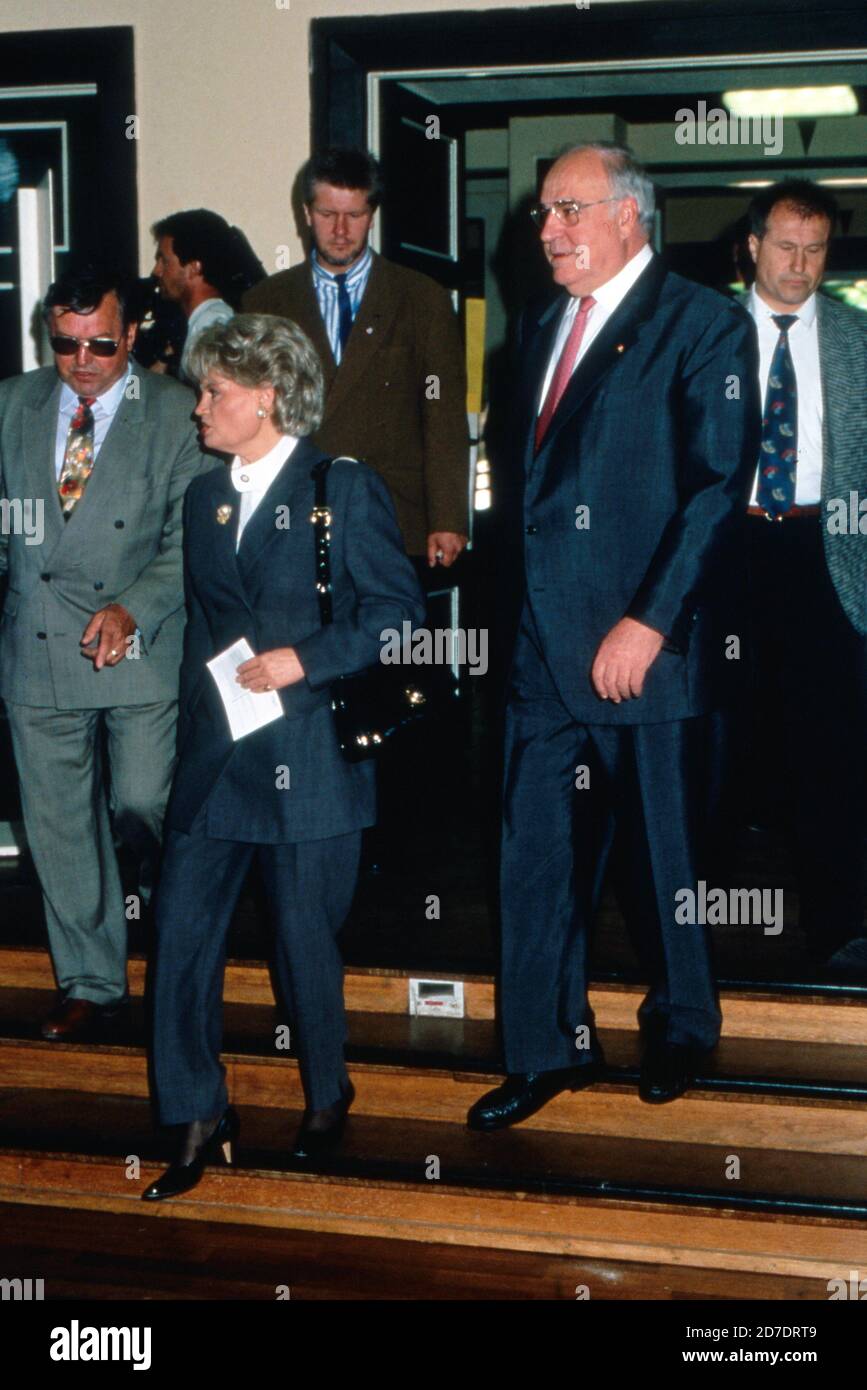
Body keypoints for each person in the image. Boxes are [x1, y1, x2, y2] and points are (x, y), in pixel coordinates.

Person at [467, 142, 761, 1132]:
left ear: (630, 216)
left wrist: (650, 616)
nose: (545, 230)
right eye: (543, 214)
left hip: (646, 641)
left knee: (662, 850)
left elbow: (718, 486)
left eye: (566, 210)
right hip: (543, 645)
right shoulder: (540, 326)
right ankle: (544, 1047)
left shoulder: (702, 325)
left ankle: (683, 1021)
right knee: (534, 851)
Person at [142, 314, 425, 1200]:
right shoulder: (202, 496)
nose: (199, 409)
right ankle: (193, 1115)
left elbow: (396, 616)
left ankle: (325, 1093)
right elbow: (202, 629)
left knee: (304, 944)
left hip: (308, 755)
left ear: (265, 395)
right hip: (218, 754)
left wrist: (306, 659)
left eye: (215, 392)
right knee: (180, 938)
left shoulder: (339, 488)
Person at [0, 265, 211, 1041]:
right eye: (64, 343)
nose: (82, 360)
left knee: (141, 801)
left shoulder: (180, 413)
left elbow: (194, 542)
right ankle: (90, 978)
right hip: (37, 645)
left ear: (129, 335)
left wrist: (135, 607)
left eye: (99, 343)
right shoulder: (10, 405)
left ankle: (180, 929)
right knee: (56, 824)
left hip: (138, 644)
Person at [741, 180, 867, 980]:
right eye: (784, 247)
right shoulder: (703, 332)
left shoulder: (857, 337)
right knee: (714, 747)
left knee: (836, 748)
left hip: (828, 554)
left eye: (814, 249)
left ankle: (838, 926)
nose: (798, 265)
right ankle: (691, 933)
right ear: (750, 246)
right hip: (727, 552)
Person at [242, 148, 469, 569]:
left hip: (392, 513)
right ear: (306, 213)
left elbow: (444, 416)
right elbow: (248, 415)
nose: (341, 230)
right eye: (328, 215)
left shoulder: (422, 299)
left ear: (373, 214)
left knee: (391, 635)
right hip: (294, 513)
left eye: (355, 215)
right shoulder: (266, 302)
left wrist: (448, 516)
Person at [151, 208, 264, 384]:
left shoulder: (211, 326)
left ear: (194, 267)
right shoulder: (200, 322)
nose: (156, 271)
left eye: (164, 261)